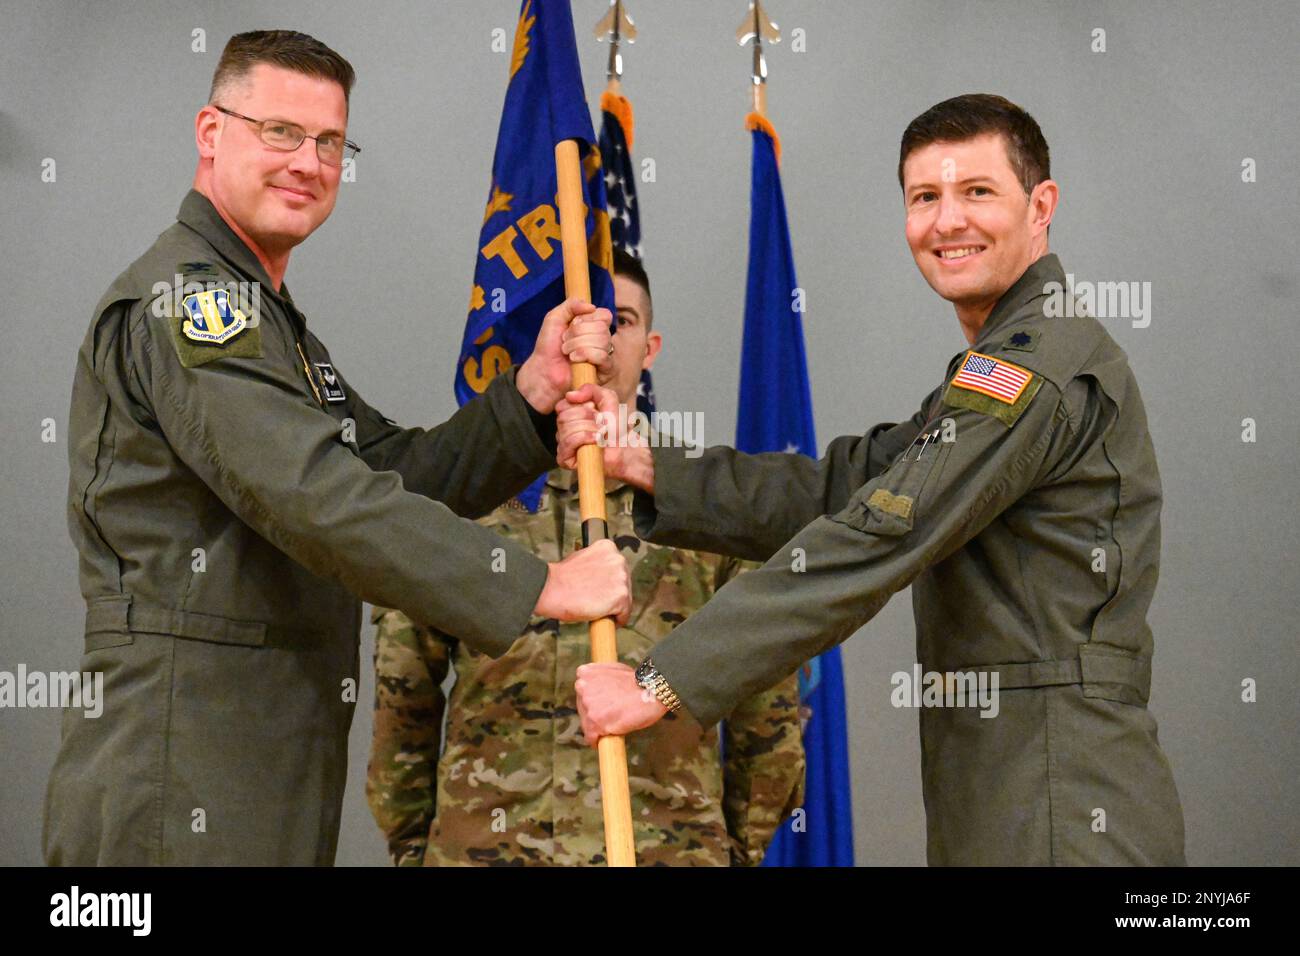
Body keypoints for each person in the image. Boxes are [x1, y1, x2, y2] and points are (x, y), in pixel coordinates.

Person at [46, 29, 632, 866]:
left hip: (259, 749)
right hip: (182, 757)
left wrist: (528, 400)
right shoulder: (192, 303)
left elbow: (387, 472)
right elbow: (315, 495)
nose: (308, 162)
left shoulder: (263, 317)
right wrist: (537, 583)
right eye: (280, 131)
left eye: (329, 142)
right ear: (211, 133)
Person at [562, 94, 1186, 866]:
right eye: (925, 197)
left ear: (1041, 205)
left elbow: (882, 529)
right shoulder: (1005, 358)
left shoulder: (1032, 366)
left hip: (1058, 799)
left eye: (977, 192)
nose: (947, 221)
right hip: (1011, 783)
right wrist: (649, 464)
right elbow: (847, 488)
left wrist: (660, 682)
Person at [366, 249, 805, 866]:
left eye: (619, 321)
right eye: (583, 320)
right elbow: (403, 689)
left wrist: (727, 851)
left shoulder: (705, 502)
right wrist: (416, 848)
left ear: (649, 347)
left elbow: (768, 704)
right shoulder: (471, 493)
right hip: (485, 849)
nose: (597, 342)